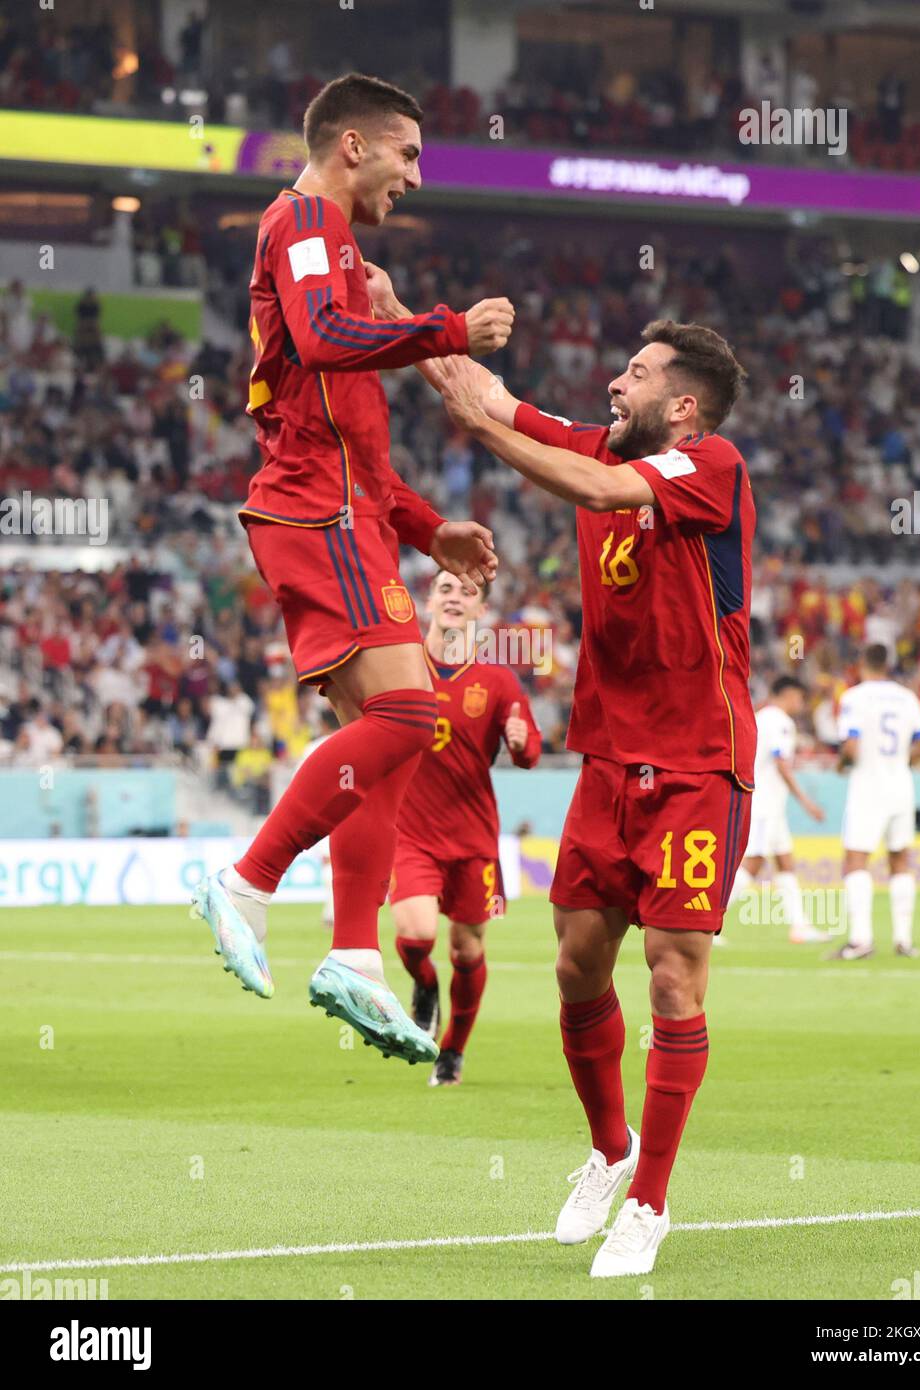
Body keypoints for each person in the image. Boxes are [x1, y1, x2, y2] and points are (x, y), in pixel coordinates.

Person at [191, 73, 514, 1067]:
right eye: (408, 153)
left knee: (399, 737)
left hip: (349, 513)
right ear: (354, 146)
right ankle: (246, 877)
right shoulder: (304, 224)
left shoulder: (335, 244)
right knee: (416, 717)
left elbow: (364, 446)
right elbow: (329, 344)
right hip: (314, 510)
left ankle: (351, 957)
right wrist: (447, 329)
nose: (415, 176)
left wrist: (428, 531)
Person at [420, 318, 754, 1278]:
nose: (617, 382)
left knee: (671, 978)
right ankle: (610, 1151)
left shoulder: (709, 466)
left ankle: (649, 1203)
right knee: (574, 969)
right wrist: (404, 323)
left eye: (638, 374)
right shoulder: (596, 440)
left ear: (681, 407)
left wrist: (484, 436)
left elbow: (597, 485)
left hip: (698, 764)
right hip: (609, 760)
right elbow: (489, 394)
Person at [390, 569, 541, 1087]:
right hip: (412, 833)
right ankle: (424, 986)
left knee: (467, 950)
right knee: (415, 934)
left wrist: (521, 743)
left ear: (480, 612)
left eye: (468, 593)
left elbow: (531, 753)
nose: (455, 598)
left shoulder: (497, 681)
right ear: (428, 601)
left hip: (474, 839)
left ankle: (452, 1051)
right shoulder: (402, 665)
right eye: (446, 589)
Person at [829, 643, 920, 961]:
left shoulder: (854, 696)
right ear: (888, 665)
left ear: (862, 663)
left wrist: (843, 765)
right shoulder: (907, 697)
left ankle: (861, 940)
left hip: (868, 787)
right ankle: (903, 940)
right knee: (900, 860)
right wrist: (901, 759)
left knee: (855, 860)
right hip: (901, 785)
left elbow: (851, 748)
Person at [731, 674, 828, 943]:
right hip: (765, 804)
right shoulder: (781, 722)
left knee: (785, 862)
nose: (801, 704)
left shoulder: (761, 716)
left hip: (768, 803)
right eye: (799, 698)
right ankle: (711, 920)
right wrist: (806, 802)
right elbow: (781, 763)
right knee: (754, 862)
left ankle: (799, 926)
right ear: (788, 695)